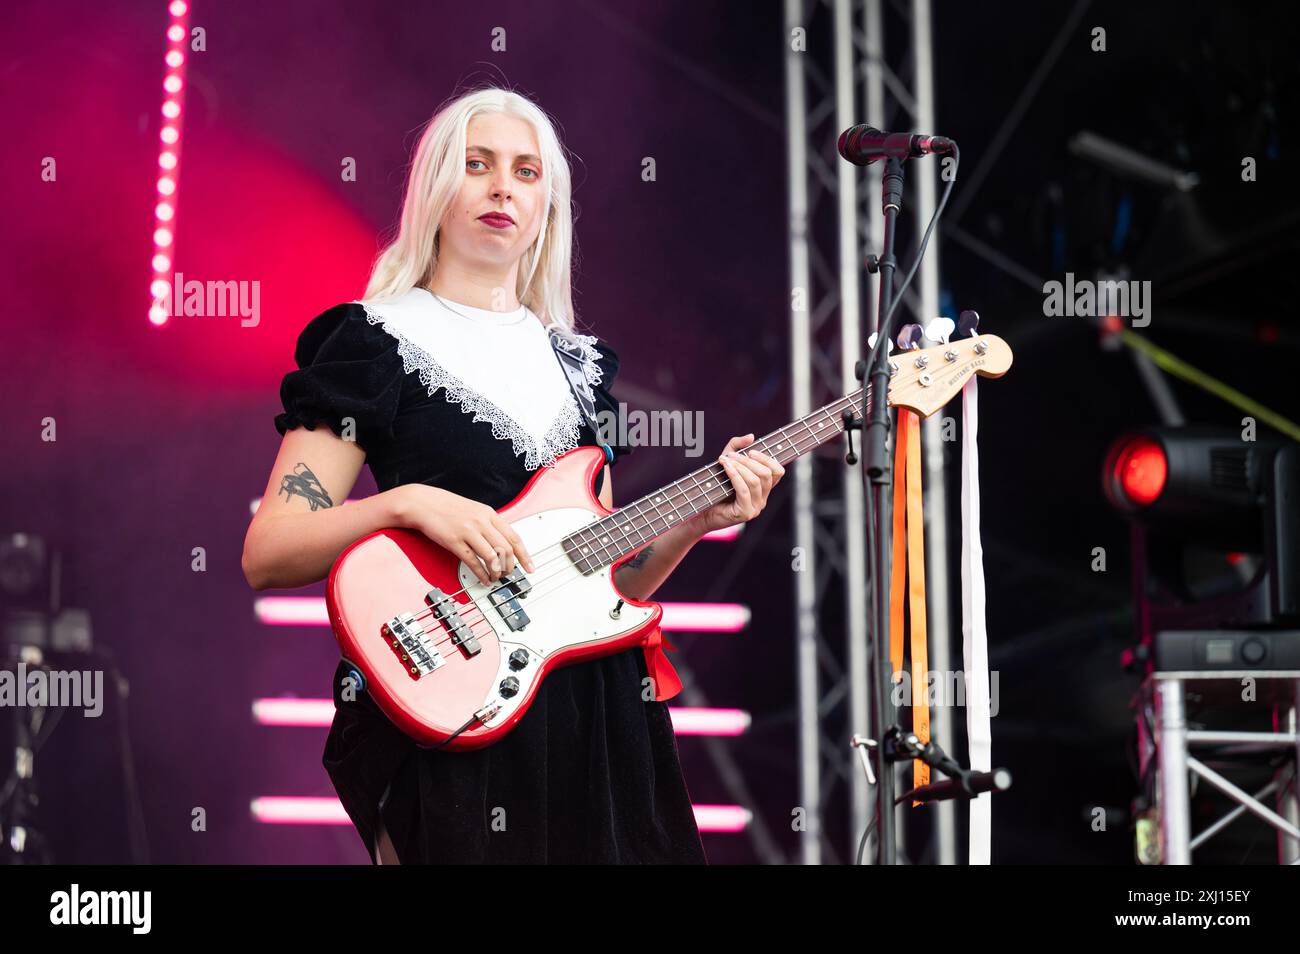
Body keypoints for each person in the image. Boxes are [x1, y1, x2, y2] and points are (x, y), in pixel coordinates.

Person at [241, 86, 784, 864]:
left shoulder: (582, 369)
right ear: (434, 188)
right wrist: (408, 504)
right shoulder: (374, 343)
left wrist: (696, 522)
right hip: (456, 705)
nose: (503, 186)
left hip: (600, 721)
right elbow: (271, 550)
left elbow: (611, 588)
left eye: (527, 172)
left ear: (547, 209)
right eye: (477, 165)